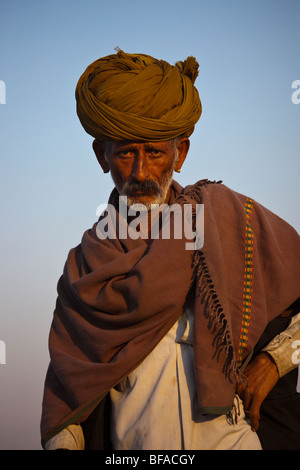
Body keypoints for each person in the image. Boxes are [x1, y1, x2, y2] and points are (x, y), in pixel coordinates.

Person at [40, 49, 300, 451]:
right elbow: (69, 396)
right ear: (101, 155)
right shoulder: (84, 270)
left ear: (180, 153)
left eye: (155, 153)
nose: (141, 173)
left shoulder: (228, 219)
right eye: (125, 152)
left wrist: (274, 361)